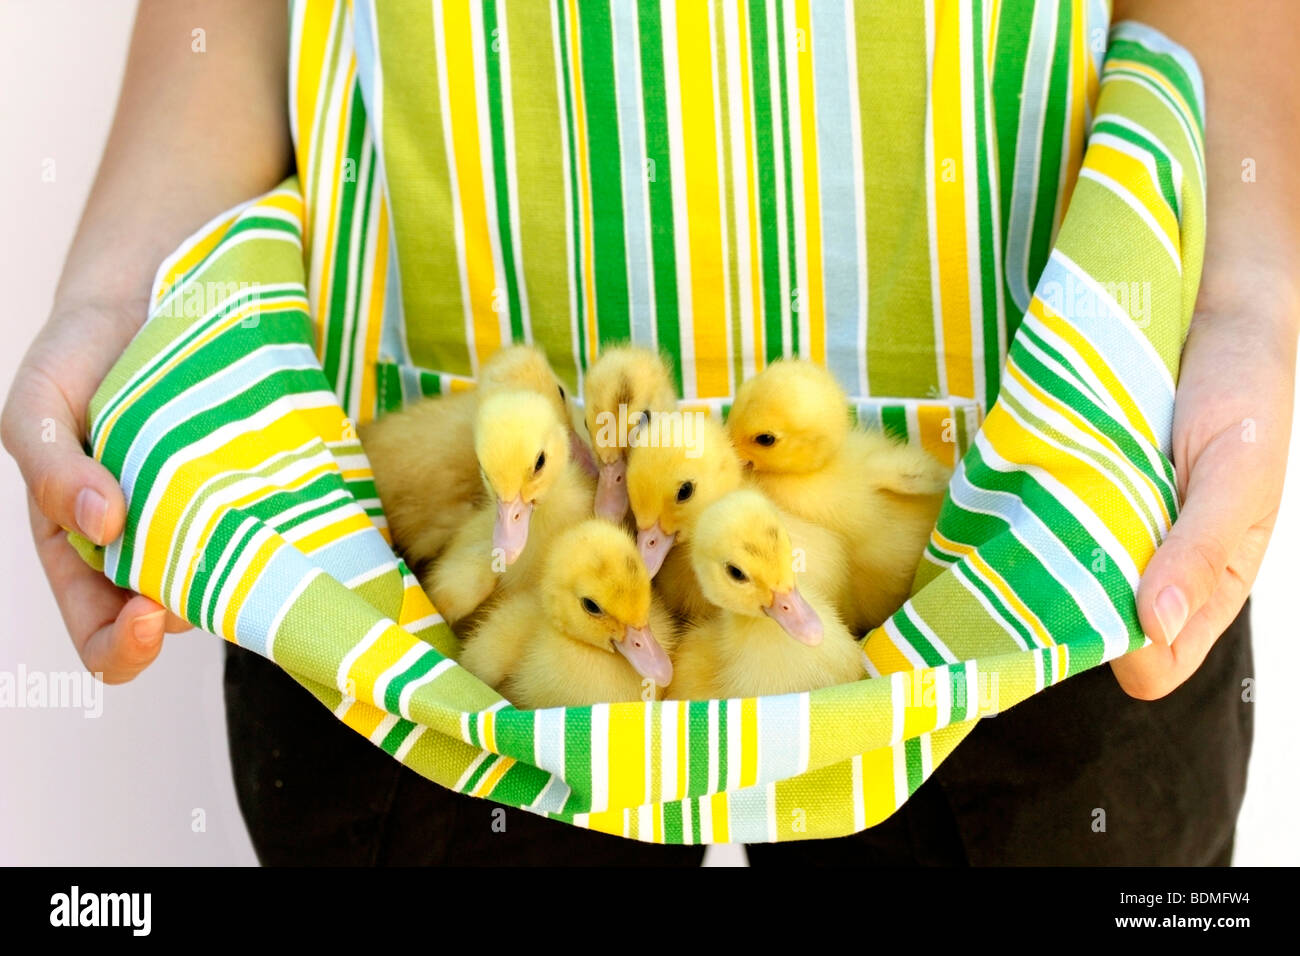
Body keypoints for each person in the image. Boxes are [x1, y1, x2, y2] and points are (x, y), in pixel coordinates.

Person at [4, 0, 1296, 865]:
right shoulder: (513, 546)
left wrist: (1246, 299)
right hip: (392, 576)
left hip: (1042, 507)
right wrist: (127, 295)